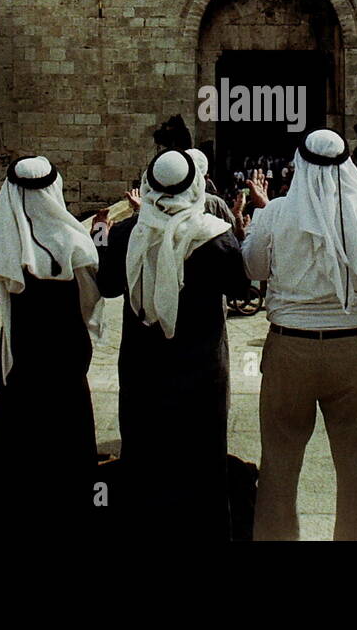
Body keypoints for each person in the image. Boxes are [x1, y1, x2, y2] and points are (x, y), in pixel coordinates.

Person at [241, 129, 357, 541]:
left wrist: (262, 218)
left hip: (290, 347)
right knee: (355, 461)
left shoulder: (277, 213)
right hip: (351, 349)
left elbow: (254, 269)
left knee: (280, 461)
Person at [96, 148, 249, 538]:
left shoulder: (130, 232)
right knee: (201, 457)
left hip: (143, 367)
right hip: (201, 370)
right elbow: (239, 287)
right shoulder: (216, 239)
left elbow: (109, 285)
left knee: (147, 453)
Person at [0, 155, 102, 537]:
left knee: (18, 432)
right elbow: (90, 298)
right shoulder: (74, 239)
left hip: (23, 351)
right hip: (64, 352)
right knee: (67, 435)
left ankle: (14, 516)